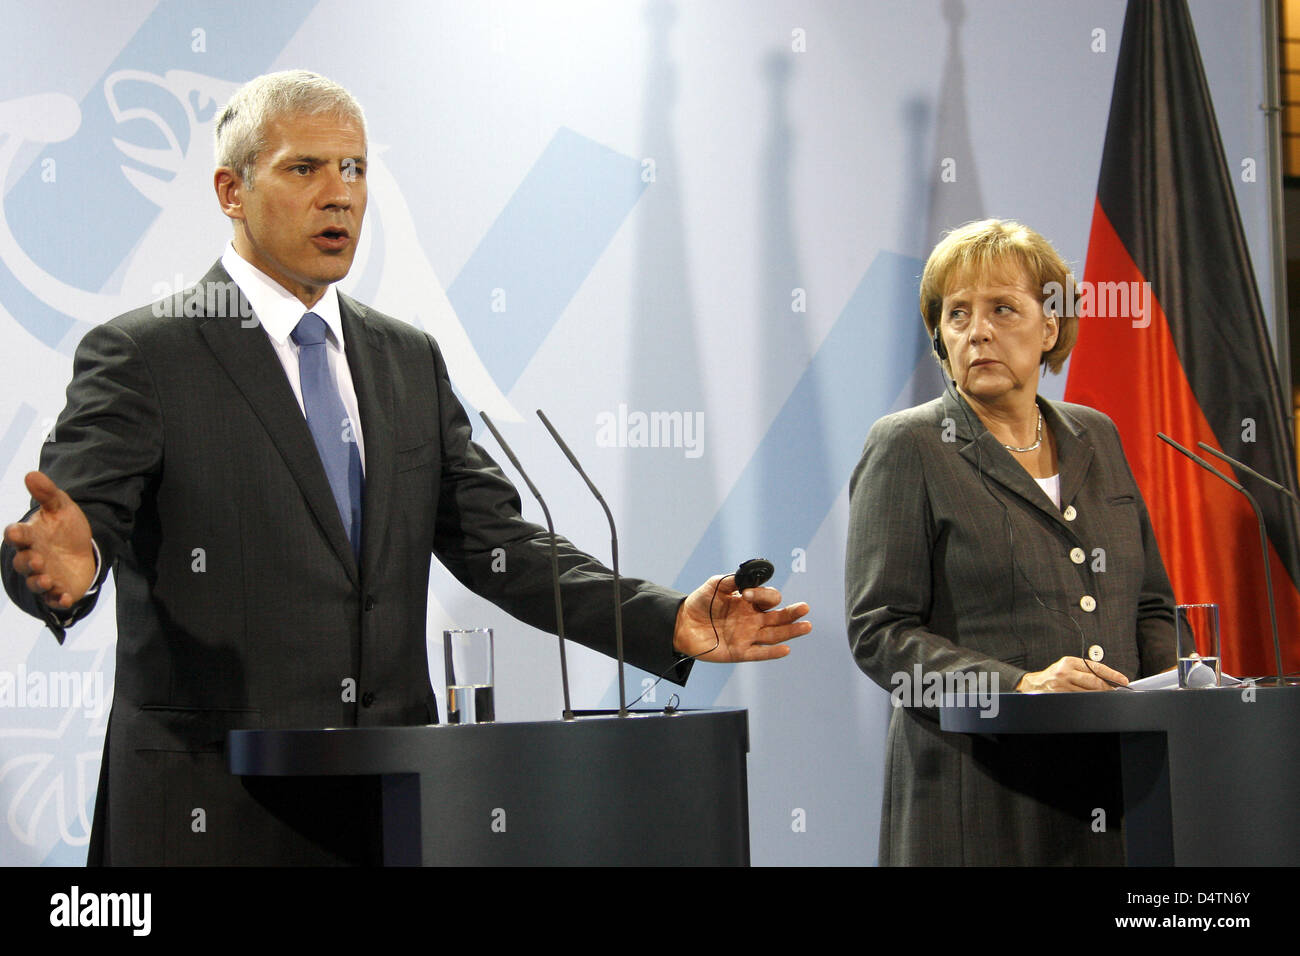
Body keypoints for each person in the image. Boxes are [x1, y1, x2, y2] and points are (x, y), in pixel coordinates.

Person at [1, 71, 811, 865]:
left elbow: (501, 545)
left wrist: (664, 621)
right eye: (305, 168)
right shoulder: (146, 353)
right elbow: (69, 533)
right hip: (213, 810)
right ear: (230, 190)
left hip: (389, 806)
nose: (340, 194)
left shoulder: (404, 358)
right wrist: (67, 568)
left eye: (354, 168)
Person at [844, 219, 1175, 865]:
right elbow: (881, 633)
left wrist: (1178, 691)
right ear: (939, 333)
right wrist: (1019, 686)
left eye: (1002, 308)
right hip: (979, 797)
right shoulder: (908, 445)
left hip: (1118, 789)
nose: (978, 331)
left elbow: (1151, 606)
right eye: (957, 313)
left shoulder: (1095, 436)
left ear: (1050, 326)